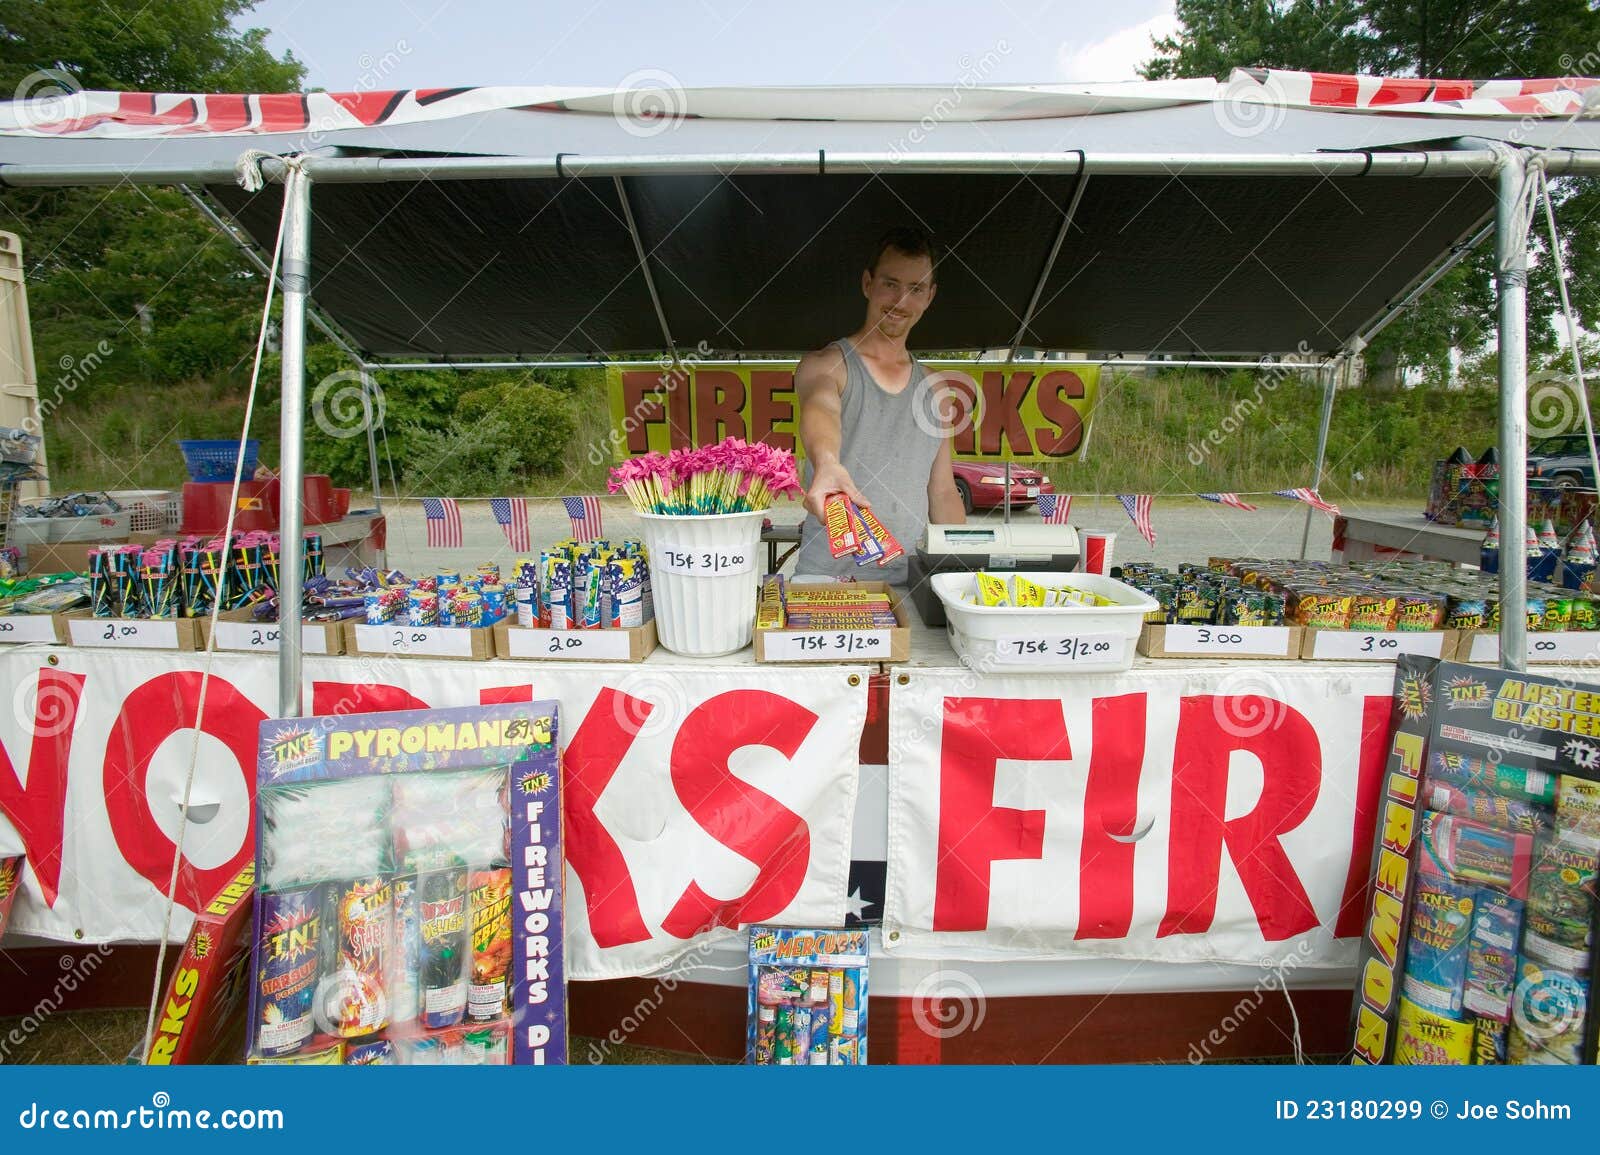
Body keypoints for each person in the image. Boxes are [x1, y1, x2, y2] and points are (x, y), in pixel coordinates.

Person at [792, 227, 965, 584]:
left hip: (908, 579)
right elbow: (820, 406)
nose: (901, 301)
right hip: (829, 579)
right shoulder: (827, 364)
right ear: (867, 284)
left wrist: (962, 569)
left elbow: (944, 491)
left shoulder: (936, 389)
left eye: (915, 289)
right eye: (890, 284)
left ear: (930, 296)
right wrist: (827, 464)